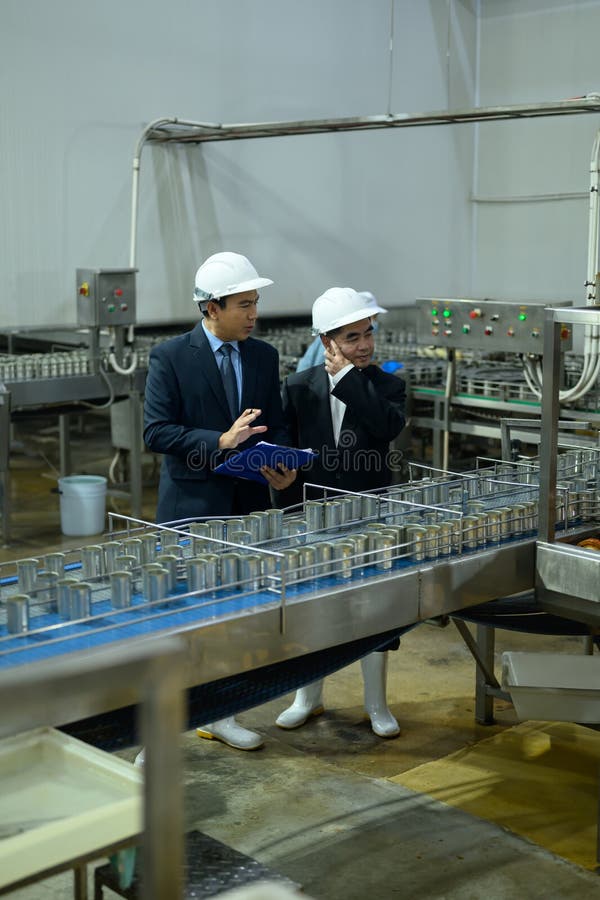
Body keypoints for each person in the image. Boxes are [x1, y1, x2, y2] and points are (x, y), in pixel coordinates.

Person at [143, 251, 296, 753]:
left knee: (234, 618)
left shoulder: (262, 356)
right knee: (181, 621)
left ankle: (224, 713)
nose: (254, 314)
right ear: (211, 307)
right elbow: (157, 431)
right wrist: (220, 441)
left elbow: (273, 424)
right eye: (244, 305)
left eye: (255, 303)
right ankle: (157, 735)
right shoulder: (170, 357)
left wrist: (281, 469)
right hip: (192, 504)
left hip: (247, 504)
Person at [275, 286, 407, 738]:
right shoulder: (296, 388)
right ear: (327, 342)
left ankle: (376, 703)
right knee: (313, 606)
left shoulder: (387, 385)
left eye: (368, 333)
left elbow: (387, 426)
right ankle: (307, 697)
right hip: (312, 516)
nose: (366, 344)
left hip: (368, 514)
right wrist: (284, 495)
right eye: (352, 337)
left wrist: (350, 378)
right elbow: (287, 454)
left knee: (374, 608)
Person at [295, 291, 379, 372]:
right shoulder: (324, 350)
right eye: (354, 339)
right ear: (327, 343)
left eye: (368, 334)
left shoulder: (386, 383)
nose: (364, 347)